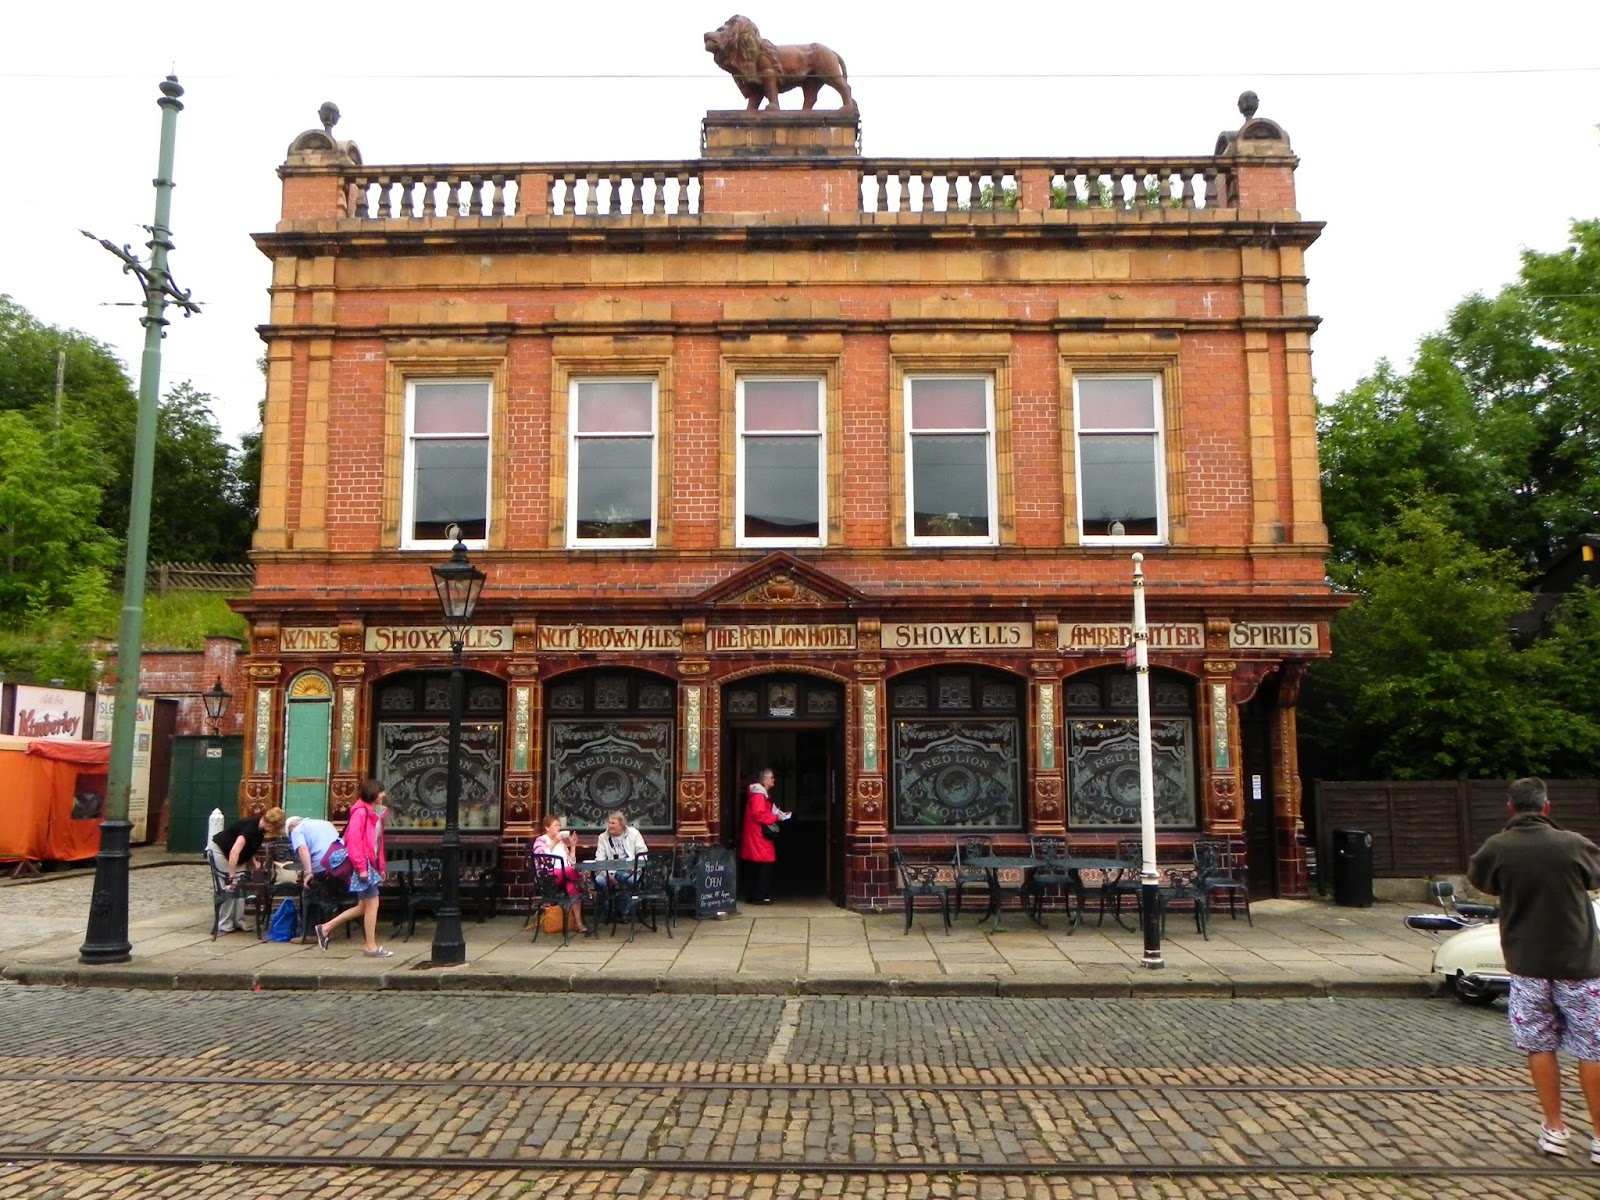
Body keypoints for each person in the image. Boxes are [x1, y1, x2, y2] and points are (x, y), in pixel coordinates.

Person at [1467, 777, 1600, 1163]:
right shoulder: (1574, 844)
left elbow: (1482, 881)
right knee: (1594, 1049)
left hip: (1527, 963)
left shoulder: (1498, 847)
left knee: (1539, 1045)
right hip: (1579, 963)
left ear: (1510, 808)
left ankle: (1554, 1128)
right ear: (1547, 806)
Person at [313, 779, 393, 957]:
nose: (384, 795)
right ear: (373, 793)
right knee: (373, 903)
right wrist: (362, 868)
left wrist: (380, 866)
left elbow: (378, 843)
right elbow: (354, 842)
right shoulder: (360, 813)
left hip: (369, 864)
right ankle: (371, 947)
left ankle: (325, 928)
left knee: (364, 906)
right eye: (381, 791)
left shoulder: (375, 813)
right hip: (363, 864)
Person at [206, 806, 286, 933]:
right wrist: (231, 876)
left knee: (240, 885)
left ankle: (238, 921)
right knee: (230, 886)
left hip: (235, 855)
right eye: (274, 827)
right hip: (221, 851)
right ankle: (225, 923)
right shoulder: (250, 828)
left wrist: (252, 860)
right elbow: (234, 851)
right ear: (269, 823)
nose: (273, 831)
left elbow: (249, 846)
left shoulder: (260, 829)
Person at [739, 768, 790, 905]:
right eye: (771, 777)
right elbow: (759, 814)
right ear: (764, 780)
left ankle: (753, 895)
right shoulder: (759, 795)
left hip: (756, 834)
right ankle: (759, 896)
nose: (773, 780)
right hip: (758, 835)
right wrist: (776, 817)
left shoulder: (759, 794)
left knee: (755, 865)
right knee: (766, 864)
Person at [530, 814, 588, 934]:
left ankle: (579, 923)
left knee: (573, 887)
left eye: (559, 825)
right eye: (556, 825)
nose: (559, 828)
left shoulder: (561, 843)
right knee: (570, 872)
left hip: (565, 876)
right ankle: (584, 885)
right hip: (548, 877)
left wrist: (573, 846)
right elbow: (543, 859)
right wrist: (554, 843)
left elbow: (571, 862)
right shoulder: (540, 841)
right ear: (547, 828)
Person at [593, 810, 649, 916]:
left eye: (613, 823)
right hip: (609, 871)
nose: (610, 826)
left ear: (621, 824)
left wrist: (635, 868)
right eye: (609, 823)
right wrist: (608, 874)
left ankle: (623, 912)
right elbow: (599, 859)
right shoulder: (603, 837)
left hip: (630, 870)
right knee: (599, 881)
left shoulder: (634, 834)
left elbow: (643, 855)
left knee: (631, 881)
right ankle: (609, 910)